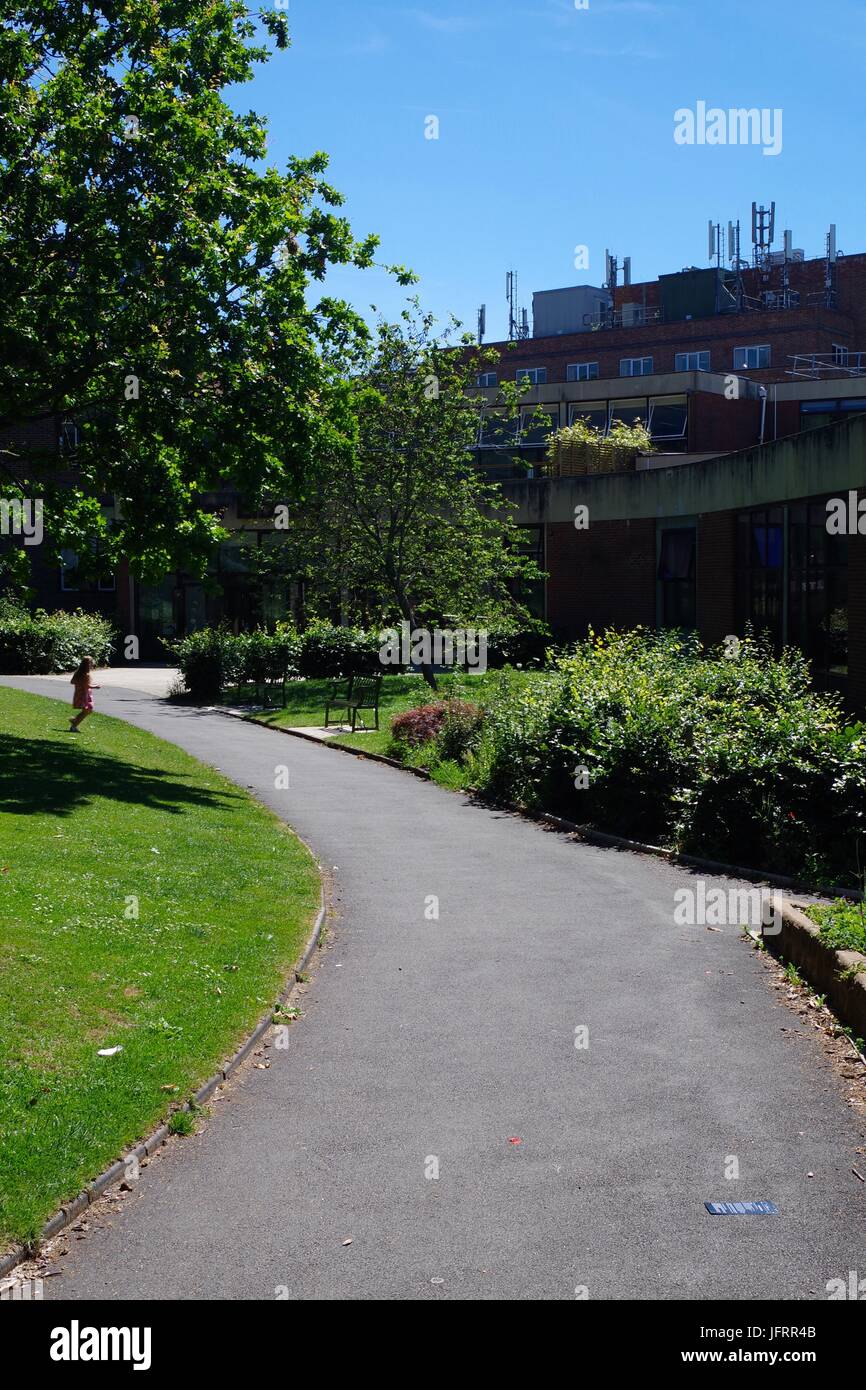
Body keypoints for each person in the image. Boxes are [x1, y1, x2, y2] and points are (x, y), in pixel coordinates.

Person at [69, 656, 100, 731]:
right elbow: (87, 685)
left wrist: (80, 683)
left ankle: (75, 720)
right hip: (84, 694)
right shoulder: (86, 674)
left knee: (88, 710)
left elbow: (72, 681)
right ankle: (74, 725)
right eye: (91, 663)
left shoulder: (78, 673)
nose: (92, 665)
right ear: (88, 665)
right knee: (88, 709)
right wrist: (96, 686)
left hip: (79, 693)